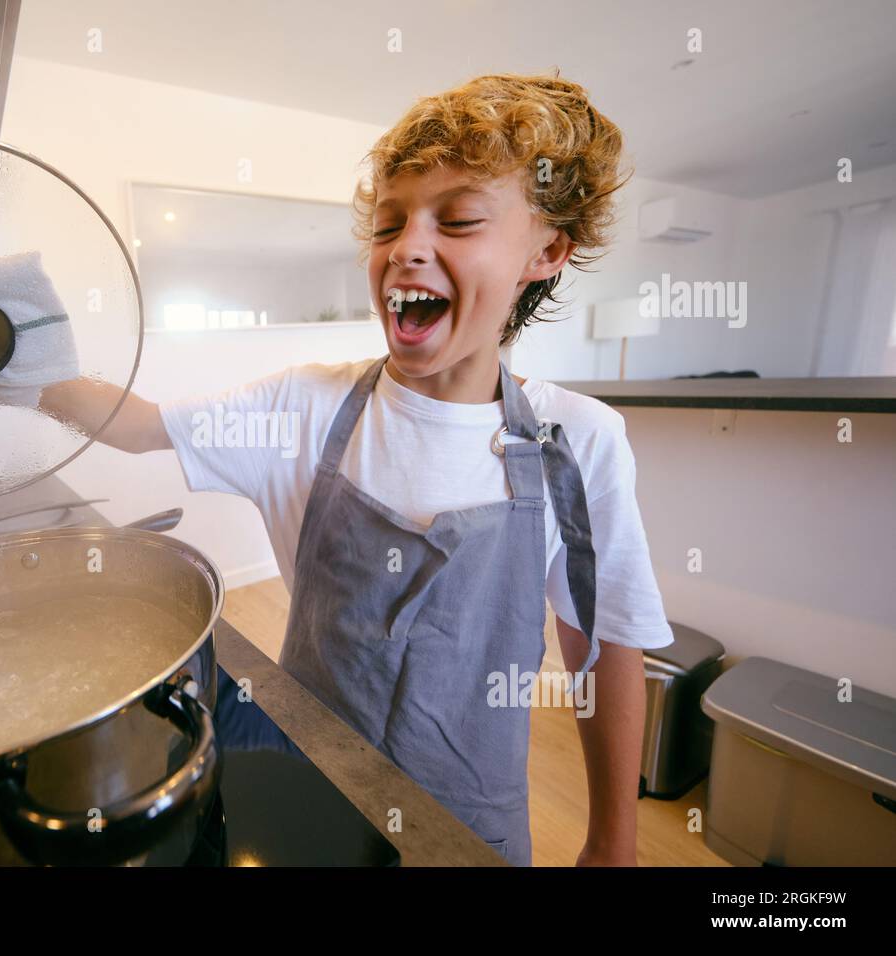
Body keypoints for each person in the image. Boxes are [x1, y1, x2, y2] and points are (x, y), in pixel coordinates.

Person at [41, 72, 674, 866]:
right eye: (388, 224)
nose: (407, 246)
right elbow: (135, 427)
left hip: (468, 825)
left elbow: (602, 645)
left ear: (545, 252)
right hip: (307, 795)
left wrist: (614, 841)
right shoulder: (304, 407)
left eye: (460, 219)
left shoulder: (578, 440)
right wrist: (4, 365)